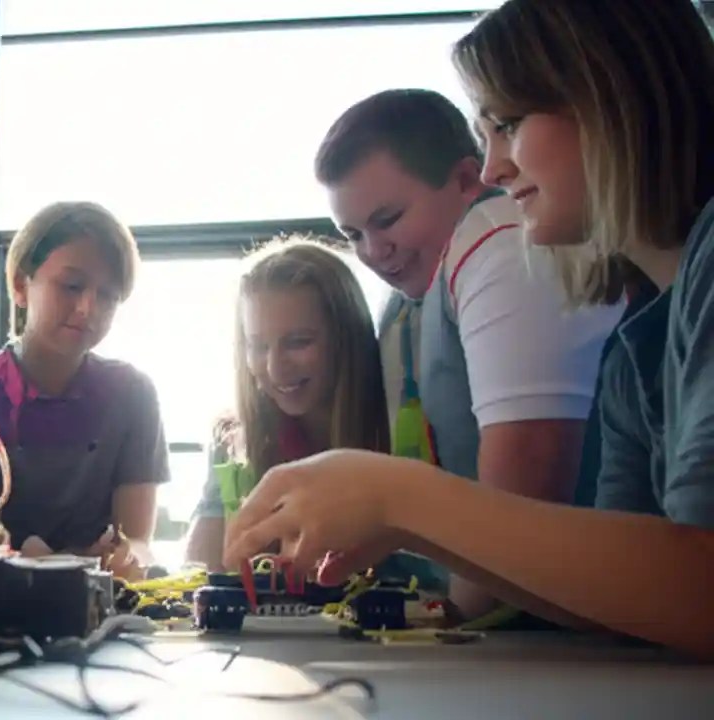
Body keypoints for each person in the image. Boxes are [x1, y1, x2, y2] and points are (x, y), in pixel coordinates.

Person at [225, 0, 714, 658]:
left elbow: (700, 585)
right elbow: (613, 599)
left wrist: (396, 497)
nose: (492, 170)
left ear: (615, 98)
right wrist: (401, 526)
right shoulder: (637, 353)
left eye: (508, 125)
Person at [312, 88, 622, 618]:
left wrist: (449, 621)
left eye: (388, 219)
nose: (373, 252)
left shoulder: (498, 241)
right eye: (353, 234)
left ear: (464, 180)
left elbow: (525, 485)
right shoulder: (410, 304)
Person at [0, 202, 168, 574]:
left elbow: (137, 540)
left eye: (108, 295)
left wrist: (129, 557)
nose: (87, 307)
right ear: (21, 285)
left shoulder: (132, 394)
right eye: (71, 286)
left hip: (98, 597)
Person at [185, 236, 387, 571]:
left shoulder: (394, 427)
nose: (275, 368)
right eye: (258, 346)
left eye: (298, 342)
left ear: (346, 338)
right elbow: (202, 569)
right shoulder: (232, 439)